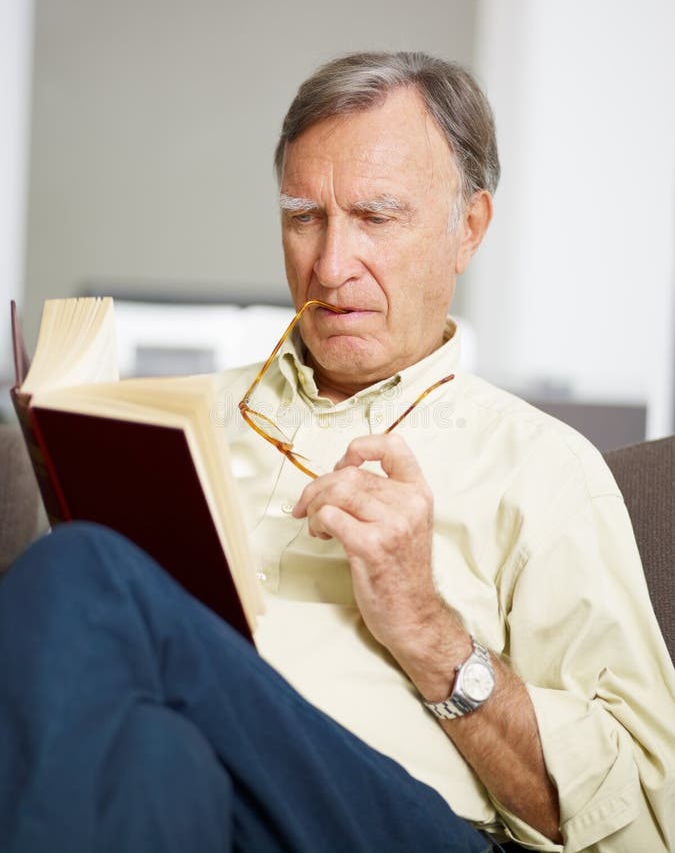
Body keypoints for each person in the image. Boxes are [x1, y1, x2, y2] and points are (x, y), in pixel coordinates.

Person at [1, 52, 673, 853]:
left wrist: (427, 629)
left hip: (406, 826)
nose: (328, 266)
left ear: (468, 228)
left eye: (377, 217)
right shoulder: (173, 417)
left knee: (84, 569)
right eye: (302, 217)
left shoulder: (545, 470)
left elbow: (644, 821)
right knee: (158, 760)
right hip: (196, 799)